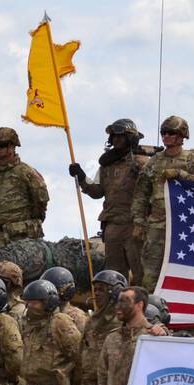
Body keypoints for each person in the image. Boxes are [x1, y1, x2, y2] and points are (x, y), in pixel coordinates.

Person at [134, 115, 194, 291]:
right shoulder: (154, 162)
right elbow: (141, 194)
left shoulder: (193, 161)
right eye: (163, 133)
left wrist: (180, 174)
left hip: (184, 226)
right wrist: (138, 222)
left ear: (182, 135)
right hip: (157, 226)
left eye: (171, 133)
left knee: (186, 273)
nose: (166, 136)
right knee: (151, 274)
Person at [70, 119, 148, 282]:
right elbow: (98, 191)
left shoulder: (141, 163)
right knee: (114, 276)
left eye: (121, 136)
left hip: (135, 226)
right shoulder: (106, 166)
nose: (117, 140)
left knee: (141, 273)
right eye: (114, 136)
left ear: (131, 138)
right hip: (112, 226)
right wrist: (82, 177)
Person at [0, 128, 48, 246]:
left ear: (12, 147)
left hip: (20, 239)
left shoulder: (26, 173)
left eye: (2, 145)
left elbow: (40, 204)